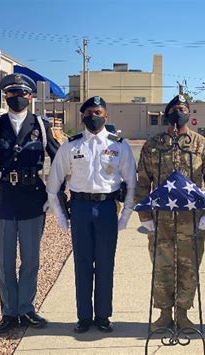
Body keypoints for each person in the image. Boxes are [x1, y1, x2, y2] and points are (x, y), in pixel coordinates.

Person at [0, 73, 60, 333]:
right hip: (3, 201)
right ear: (5, 97)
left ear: (30, 97)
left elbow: (59, 159)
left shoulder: (41, 126)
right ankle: (9, 312)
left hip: (33, 200)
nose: (17, 98)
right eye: (11, 93)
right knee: (6, 261)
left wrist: (53, 193)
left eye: (22, 93)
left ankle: (27, 308)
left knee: (31, 259)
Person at [46, 96, 136, 333]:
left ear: (106, 116)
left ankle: (103, 316)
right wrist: (60, 216)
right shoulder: (70, 146)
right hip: (80, 209)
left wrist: (125, 216)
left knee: (106, 264)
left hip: (107, 209)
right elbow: (53, 184)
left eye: (98, 112)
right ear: (82, 116)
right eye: (88, 113)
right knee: (83, 264)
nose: (93, 117)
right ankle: (84, 317)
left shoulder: (119, 145)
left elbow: (131, 183)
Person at [135, 94, 205, 332]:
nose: (178, 112)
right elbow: (142, 183)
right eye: (174, 109)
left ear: (189, 113)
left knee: (189, 266)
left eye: (182, 108)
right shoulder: (153, 146)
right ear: (166, 114)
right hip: (160, 220)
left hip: (192, 221)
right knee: (161, 266)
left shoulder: (202, 145)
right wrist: (145, 217)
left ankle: (183, 314)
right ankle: (164, 314)